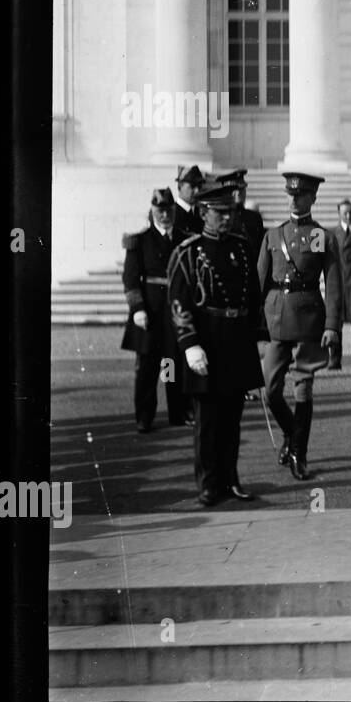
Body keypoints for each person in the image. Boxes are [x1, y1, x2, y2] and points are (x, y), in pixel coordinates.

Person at [166, 179, 265, 507]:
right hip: (206, 344)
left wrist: (255, 337)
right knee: (207, 421)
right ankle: (208, 484)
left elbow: (252, 298)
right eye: (220, 213)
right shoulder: (188, 252)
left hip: (236, 343)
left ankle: (230, 478)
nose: (227, 218)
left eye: (230, 212)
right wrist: (190, 344)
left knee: (232, 420)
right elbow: (179, 303)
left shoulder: (241, 247)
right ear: (204, 212)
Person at [255, 172, 342, 480]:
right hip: (277, 315)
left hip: (308, 317)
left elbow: (333, 284)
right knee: (270, 390)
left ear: (313, 198)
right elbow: (260, 282)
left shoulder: (321, 236)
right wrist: (255, 326)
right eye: (291, 194)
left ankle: (298, 453)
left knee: (303, 388)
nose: (294, 199)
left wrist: (332, 325)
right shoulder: (273, 235)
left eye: (301, 195)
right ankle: (293, 434)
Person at [120, 188, 191, 432]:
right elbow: (130, 278)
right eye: (160, 211)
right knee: (147, 368)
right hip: (149, 314)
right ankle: (144, 416)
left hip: (174, 312)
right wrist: (137, 307)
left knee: (171, 363)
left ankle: (176, 412)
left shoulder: (184, 239)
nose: (165, 215)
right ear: (152, 212)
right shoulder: (139, 241)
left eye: (169, 210)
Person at [328, 198, 351, 370]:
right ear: (339, 213)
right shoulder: (330, 233)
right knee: (335, 323)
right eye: (345, 213)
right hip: (337, 284)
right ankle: (334, 359)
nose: (348, 216)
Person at [215, 168, 265, 255]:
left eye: (241, 189)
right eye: (233, 190)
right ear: (225, 193)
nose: (238, 193)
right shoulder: (219, 217)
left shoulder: (254, 217)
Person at [173, 164, 205, 236]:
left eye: (199, 186)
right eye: (192, 186)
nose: (197, 191)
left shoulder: (200, 213)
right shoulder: (171, 213)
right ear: (180, 186)